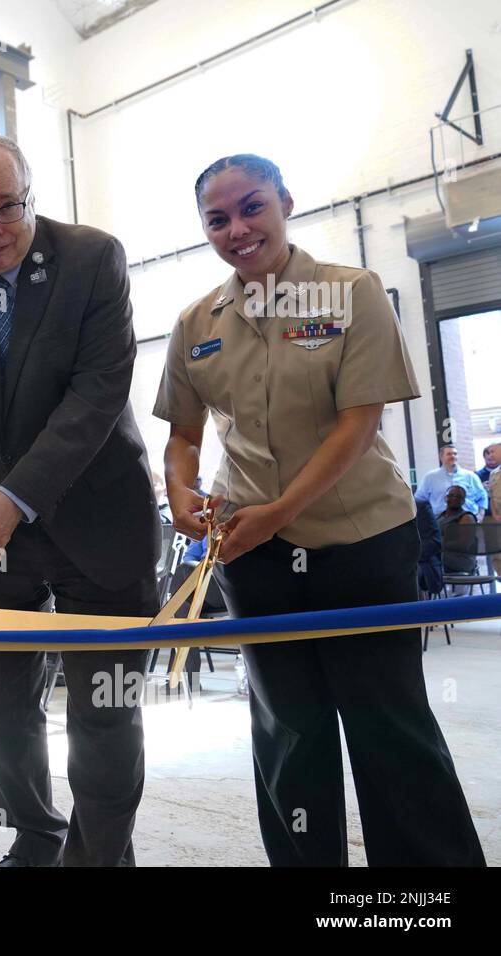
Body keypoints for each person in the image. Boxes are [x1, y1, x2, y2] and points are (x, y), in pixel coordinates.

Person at [155, 153, 483, 866]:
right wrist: (180, 491)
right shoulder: (194, 324)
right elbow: (183, 434)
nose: (237, 228)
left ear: (284, 203)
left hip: (362, 539)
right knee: (288, 730)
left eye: (251, 207)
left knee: (387, 723)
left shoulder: (351, 292)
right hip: (255, 556)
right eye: (218, 218)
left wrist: (278, 511)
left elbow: (358, 425)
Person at [0, 134, 161, 867]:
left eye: (5, 208)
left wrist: (19, 495)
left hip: (100, 513)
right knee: (2, 707)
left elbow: (98, 392)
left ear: (32, 195)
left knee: (104, 710)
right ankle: (36, 833)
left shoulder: (92, 259)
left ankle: (99, 855)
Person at [416, 444, 488, 519]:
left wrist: (480, 516)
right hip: (440, 520)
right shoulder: (430, 477)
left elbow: (482, 497)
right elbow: (419, 499)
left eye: (455, 454)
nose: (453, 456)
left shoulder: (471, 476)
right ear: (441, 457)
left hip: (467, 520)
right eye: (449, 454)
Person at [437, 485, 478, 575]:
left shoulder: (467, 517)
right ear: (445, 498)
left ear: (463, 500)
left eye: (458, 496)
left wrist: (436, 544)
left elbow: (463, 544)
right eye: (451, 495)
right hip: (441, 555)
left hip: (461, 559)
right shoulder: (439, 516)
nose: (454, 498)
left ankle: (427, 588)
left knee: (426, 562)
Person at [477, 443, 499, 517]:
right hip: (486, 514)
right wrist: (481, 488)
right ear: (484, 457)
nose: (491, 456)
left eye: (493, 453)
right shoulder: (476, 475)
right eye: (488, 454)